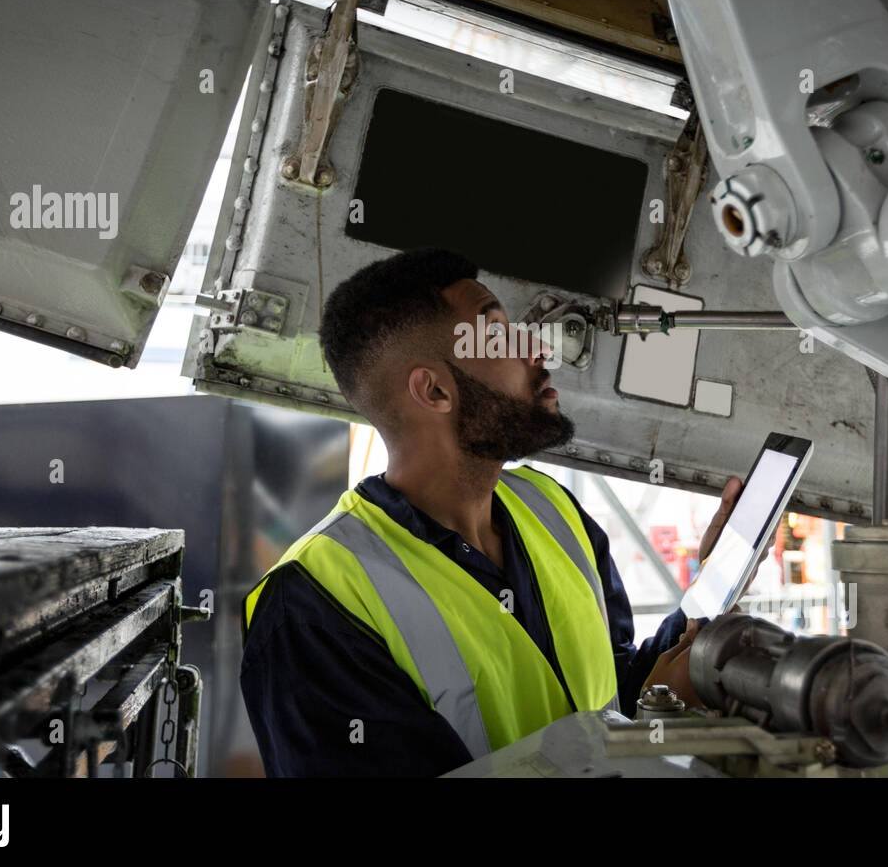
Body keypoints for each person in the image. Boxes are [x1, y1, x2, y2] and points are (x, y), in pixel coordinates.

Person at [240, 247, 745, 776]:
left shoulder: (552, 509)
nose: (537, 349)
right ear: (434, 390)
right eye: (497, 332)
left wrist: (702, 612)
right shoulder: (310, 605)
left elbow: (611, 695)